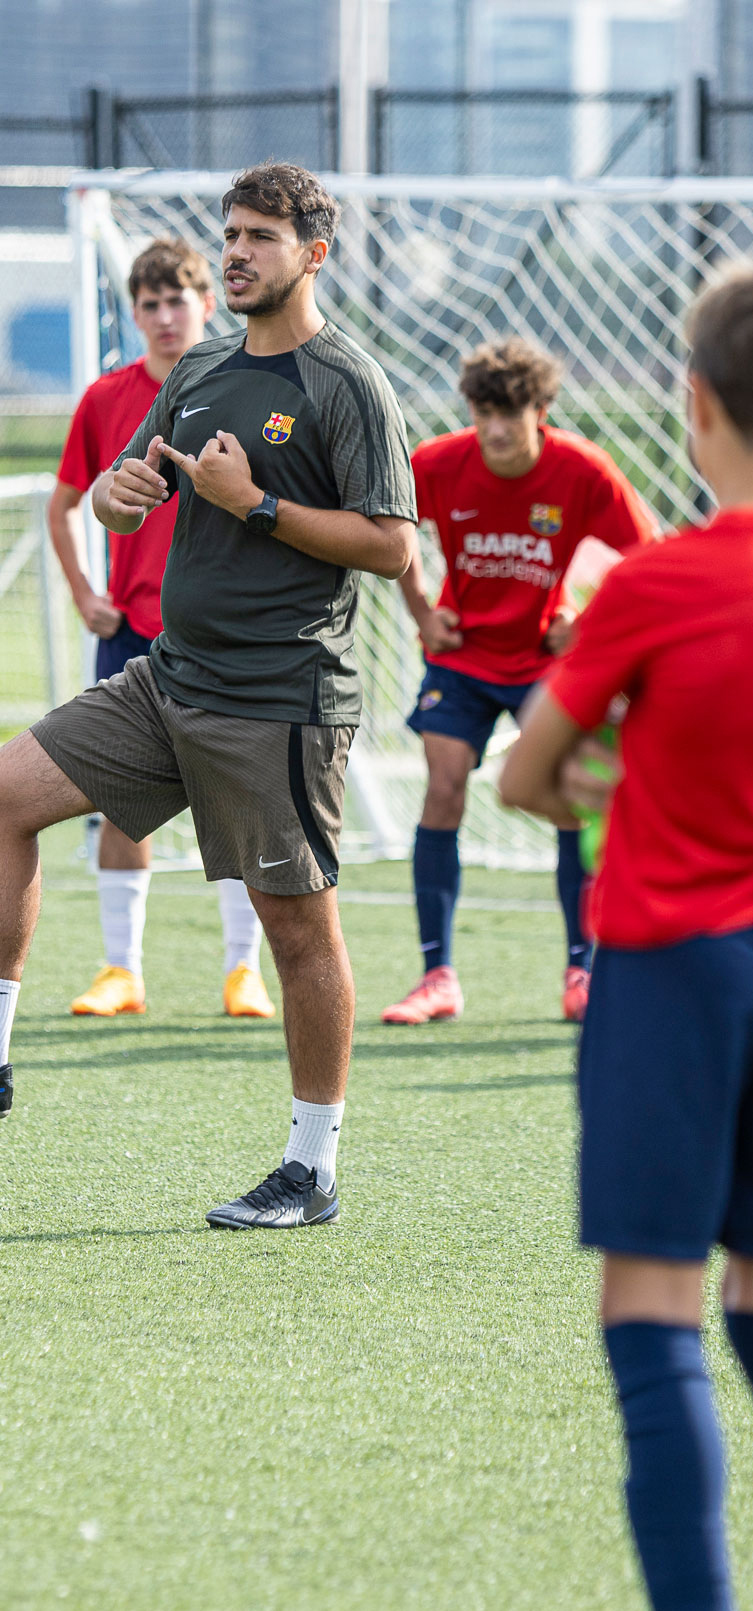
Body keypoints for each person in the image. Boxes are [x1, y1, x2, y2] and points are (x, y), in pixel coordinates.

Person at [498, 260, 753, 1611]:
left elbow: (528, 777)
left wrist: (611, 776)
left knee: (654, 1305)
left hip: (670, 955)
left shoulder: (659, 580)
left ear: (697, 400)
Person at [0, 162, 417, 1233]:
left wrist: (258, 504)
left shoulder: (347, 383)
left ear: (312, 255)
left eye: (260, 237)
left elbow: (389, 544)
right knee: (5, 794)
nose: (235, 252)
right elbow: (124, 496)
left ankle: (310, 1168)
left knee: (295, 930)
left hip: (280, 702)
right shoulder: (199, 374)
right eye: (229, 234)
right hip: (166, 675)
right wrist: (116, 493)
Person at [381, 338, 656, 1027]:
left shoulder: (583, 470)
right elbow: (389, 529)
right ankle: (436, 974)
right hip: (463, 656)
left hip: (544, 660)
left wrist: (587, 622)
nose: (497, 428)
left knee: (569, 798)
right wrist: (423, 608)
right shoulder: (440, 462)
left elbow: (645, 561)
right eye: (483, 411)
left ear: (542, 409)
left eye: (512, 411)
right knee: (442, 786)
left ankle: (582, 968)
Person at [47, 239, 273, 1021]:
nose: (165, 316)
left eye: (178, 300)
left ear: (205, 304)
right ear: (134, 314)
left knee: (238, 801)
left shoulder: (237, 386)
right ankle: (122, 971)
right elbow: (67, 501)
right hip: (132, 627)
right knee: (117, 801)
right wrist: (83, 589)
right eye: (150, 304)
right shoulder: (106, 397)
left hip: (218, 635)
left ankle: (244, 971)